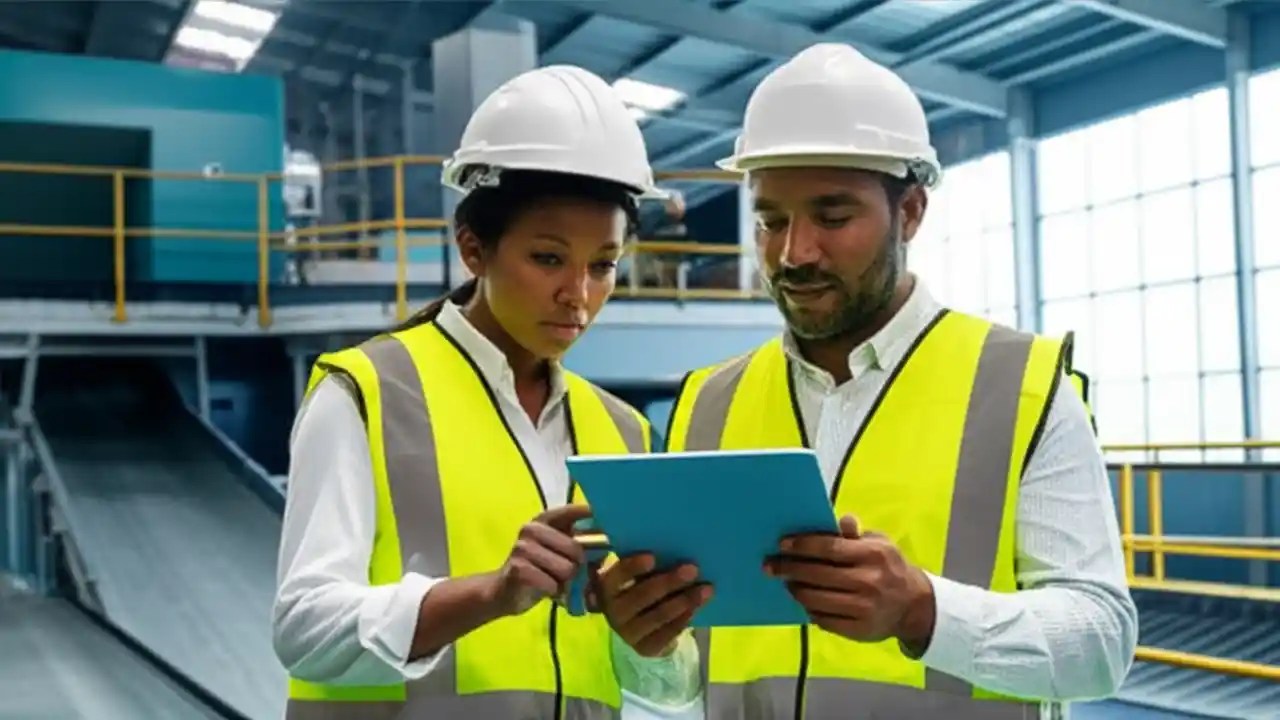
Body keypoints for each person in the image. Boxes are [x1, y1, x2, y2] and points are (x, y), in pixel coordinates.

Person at [596, 43, 1138, 719]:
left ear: (910, 212)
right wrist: (645, 642)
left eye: (832, 218)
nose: (794, 252)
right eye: (770, 221)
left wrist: (924, 611)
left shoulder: (1019, 386)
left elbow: (1101, 644)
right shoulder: (709, 402)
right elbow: (683, 685)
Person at [272, 65, 697, 720]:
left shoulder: (622, 430)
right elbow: (303, 629)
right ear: (474, 249)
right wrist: (488, 594)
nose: (579, 295)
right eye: (549, 259)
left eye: (604, 265)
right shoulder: (366, 393)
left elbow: (665, 687)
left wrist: (653, 638)